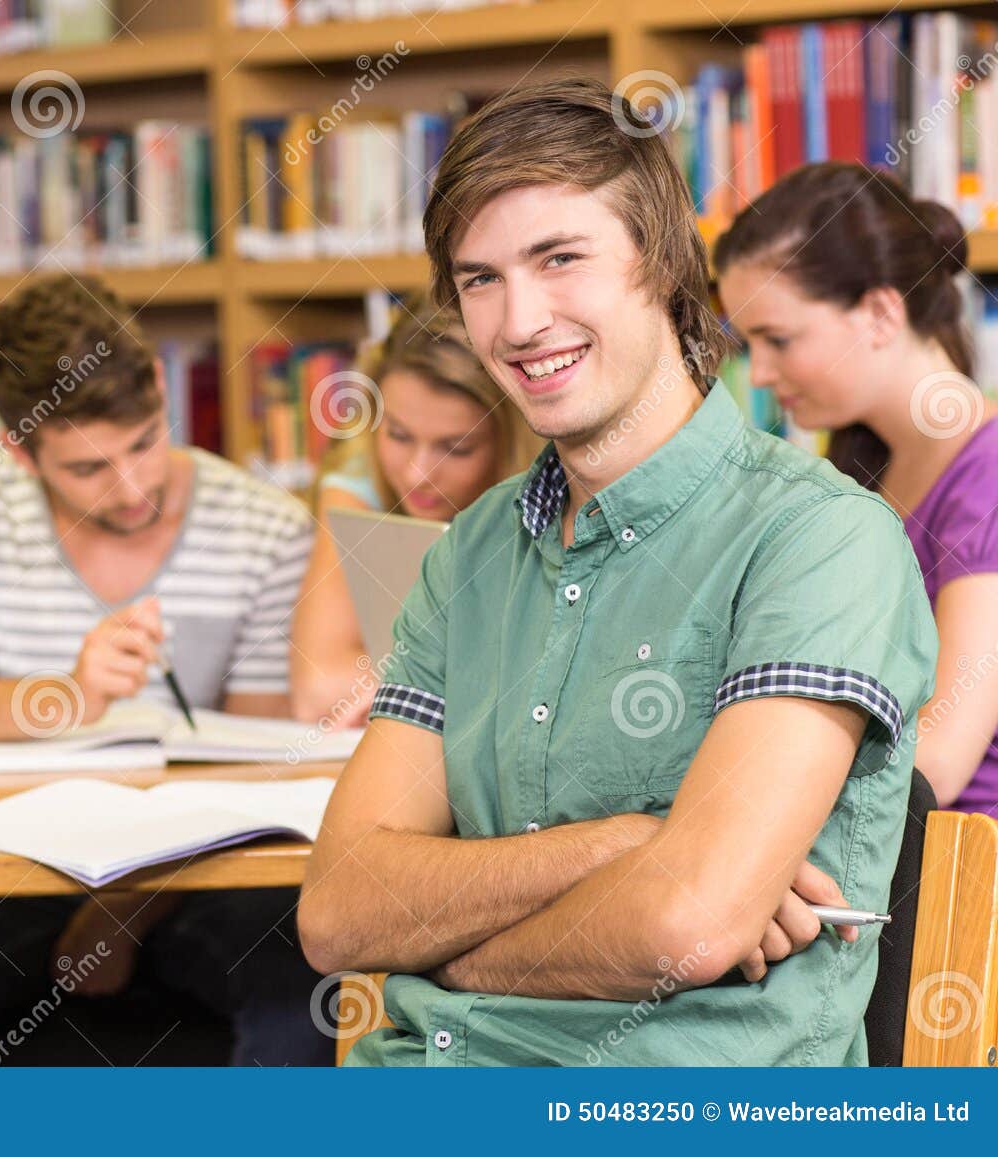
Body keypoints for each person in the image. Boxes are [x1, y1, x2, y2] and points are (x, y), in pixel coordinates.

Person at [297, 77, 938, 1066]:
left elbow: (688, 924)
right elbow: (338, 912)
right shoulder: (467, 553)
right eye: (480, 279)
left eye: (560, 258)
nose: (519, 322)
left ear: (665, 260)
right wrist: (630, 841)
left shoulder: (821, 540)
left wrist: (445, 959)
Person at [0, 273, 330, 1066]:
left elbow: (259, 777)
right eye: (88, 468)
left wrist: (122, 911)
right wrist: (67, 698)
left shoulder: (267, 528)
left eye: (144, 442)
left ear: (162, 393)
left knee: (302, 1001)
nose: (133, 486)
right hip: (2, 867)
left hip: (197, 876)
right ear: (20, 451)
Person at [715, 162, 998, 817]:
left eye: (777, 339)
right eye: (749, 344)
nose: (758, 374)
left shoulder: (986, 475)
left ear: (879, 312)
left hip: (955, 861)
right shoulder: (861, 464)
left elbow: (939, 758)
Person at [290, 293, 536, 724]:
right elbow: (318, 690)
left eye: (456, 448)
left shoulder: (547, 496)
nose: (418, 474)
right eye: (399, 435)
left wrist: (400, 691)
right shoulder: (357, 479)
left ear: (509, 443)